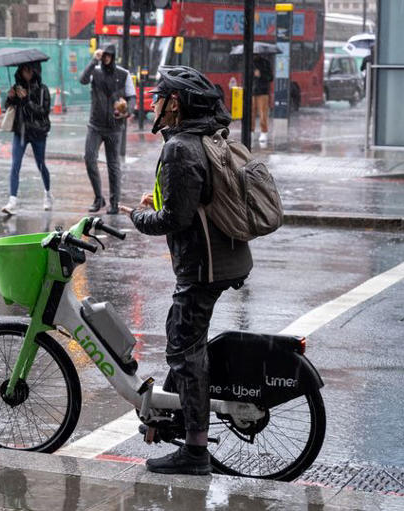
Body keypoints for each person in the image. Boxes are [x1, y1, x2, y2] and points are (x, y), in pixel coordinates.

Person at [119, 66, 253, 475]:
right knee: (182, 337)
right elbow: (192, 200)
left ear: (174, 104)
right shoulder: (203, 138)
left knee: (183, 348)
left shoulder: (181, 147)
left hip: (201, 266)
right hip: (220, 258)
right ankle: (174, 421)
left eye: (158, 97)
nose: (153, 103)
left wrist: (141, 217)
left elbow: (174, 220)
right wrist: (158, 201)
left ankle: (195, 450)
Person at [79, 44, 136, 214]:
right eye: (103, 55)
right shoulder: (95, 71)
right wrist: (93, 60)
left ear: (113, 56)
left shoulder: (123, 74)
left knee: (113, 165)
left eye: (108, 56)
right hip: (95, 125)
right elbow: (82, 79)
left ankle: (114, 202)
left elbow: (131, 96)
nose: (105, 58)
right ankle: (98, 199)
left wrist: (127, 112)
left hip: (114, 126)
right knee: (89, 159)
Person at [1, 62, 53, 216]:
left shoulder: (43, 90)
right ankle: (12, 201)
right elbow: (9, 107)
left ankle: (48, 194)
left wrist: (26, 100)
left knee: (41, 164)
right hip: (21, 131)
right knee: (15, 165)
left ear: (35, 71)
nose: (26, 73)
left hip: (38, 132)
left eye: (29, 70)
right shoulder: (18, 88)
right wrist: (10, 98)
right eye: (24, 70)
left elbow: (43, 112)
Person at [252, 55, 273, 144]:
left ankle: (264, 132)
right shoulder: (250, 62)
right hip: (252, 91)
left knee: (263, 113)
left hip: (263, 91)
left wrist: (261, 75)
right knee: (251, 113)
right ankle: (251, 131)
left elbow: (270, 77)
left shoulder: (265, 63)